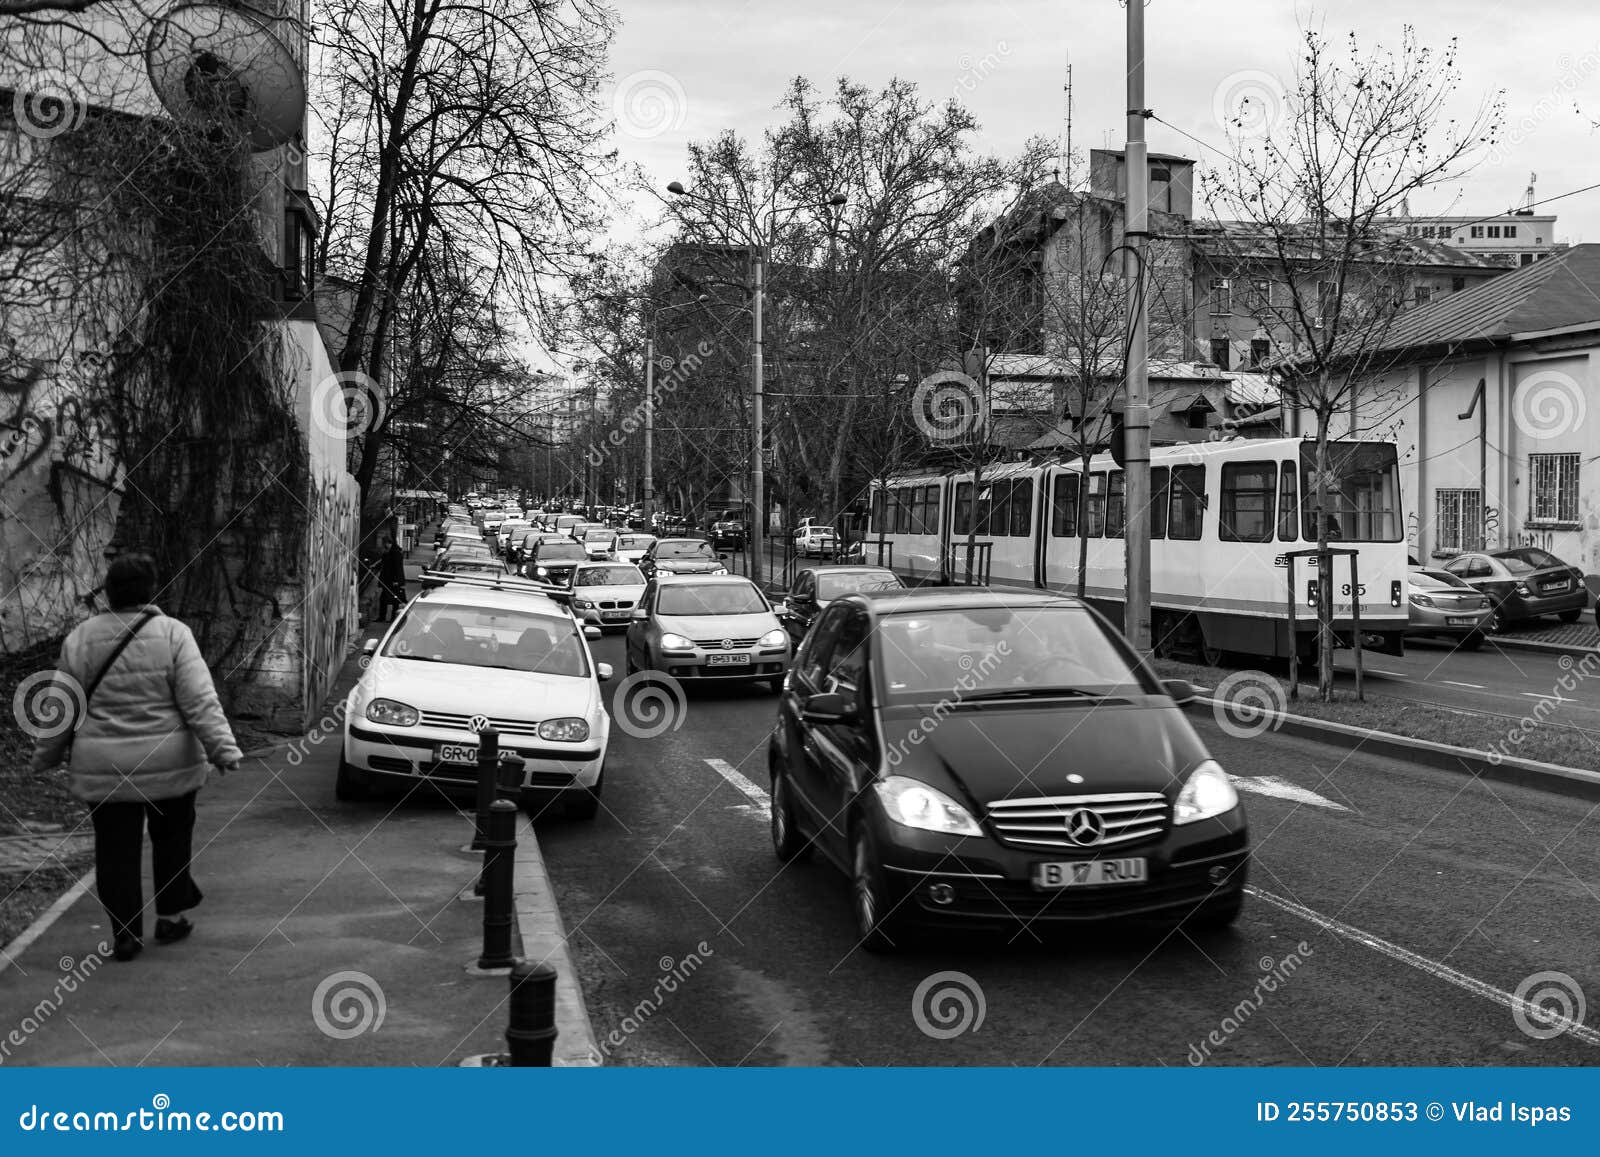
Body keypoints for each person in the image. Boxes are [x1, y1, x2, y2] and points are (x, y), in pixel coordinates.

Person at [29, 554, 242, 962]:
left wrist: (46, 755)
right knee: (172, 840)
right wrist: (223, 749)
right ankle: (170, 917)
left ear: (108, 594)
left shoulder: (81, 638)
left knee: (115, 850)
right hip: (170, 765)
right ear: (150, 591)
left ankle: (125, 935)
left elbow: (62, 706)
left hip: (105, 768)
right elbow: (200, 701)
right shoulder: (173, 634)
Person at [378, 535, 407, 621]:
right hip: (389, 580)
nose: (384, 546)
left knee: (391, 599)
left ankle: (386, 617)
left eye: (385, 544)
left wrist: (396, 580)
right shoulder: (392, 552)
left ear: (388, 543)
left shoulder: (395, 553)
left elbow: (397, 568)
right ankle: (388, 617)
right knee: (391, 599)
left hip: (392, 580)